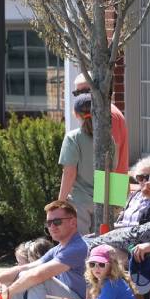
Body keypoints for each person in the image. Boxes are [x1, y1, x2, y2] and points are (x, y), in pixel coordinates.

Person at [0, 200, 89, 299]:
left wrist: (7, 293)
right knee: (22, 276)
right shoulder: (58, 249)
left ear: (73, 222)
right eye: (49, 223)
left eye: (57, 222)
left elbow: (38, 275)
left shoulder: (77, 247)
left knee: (40, 280)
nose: (52, 227)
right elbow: (25, 268)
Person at [59, 94, 113, 234]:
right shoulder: (109, 138)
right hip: (105, 201)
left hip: (80, 202)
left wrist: (60, 203)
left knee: (81, 249)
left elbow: (69, 173)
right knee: (102, 249)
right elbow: (114, 170)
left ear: (76, 114)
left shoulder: (73, 138)